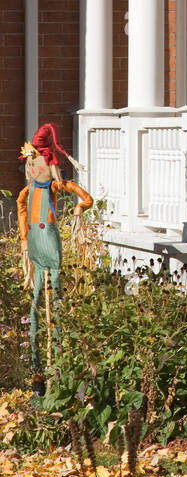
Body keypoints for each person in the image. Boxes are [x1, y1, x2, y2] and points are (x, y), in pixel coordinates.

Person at [17, 124, 93, 394]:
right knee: (37, 302)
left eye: (40, 163)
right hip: (35, 250)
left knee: (56, 300)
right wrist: (25, 242)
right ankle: (39, 374)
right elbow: (21, 209)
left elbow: (86, 198)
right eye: (33, 164)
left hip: (50, 244)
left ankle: (58, 368)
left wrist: (79, 209)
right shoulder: (28, 193)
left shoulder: (55, 186)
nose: (36, 169)